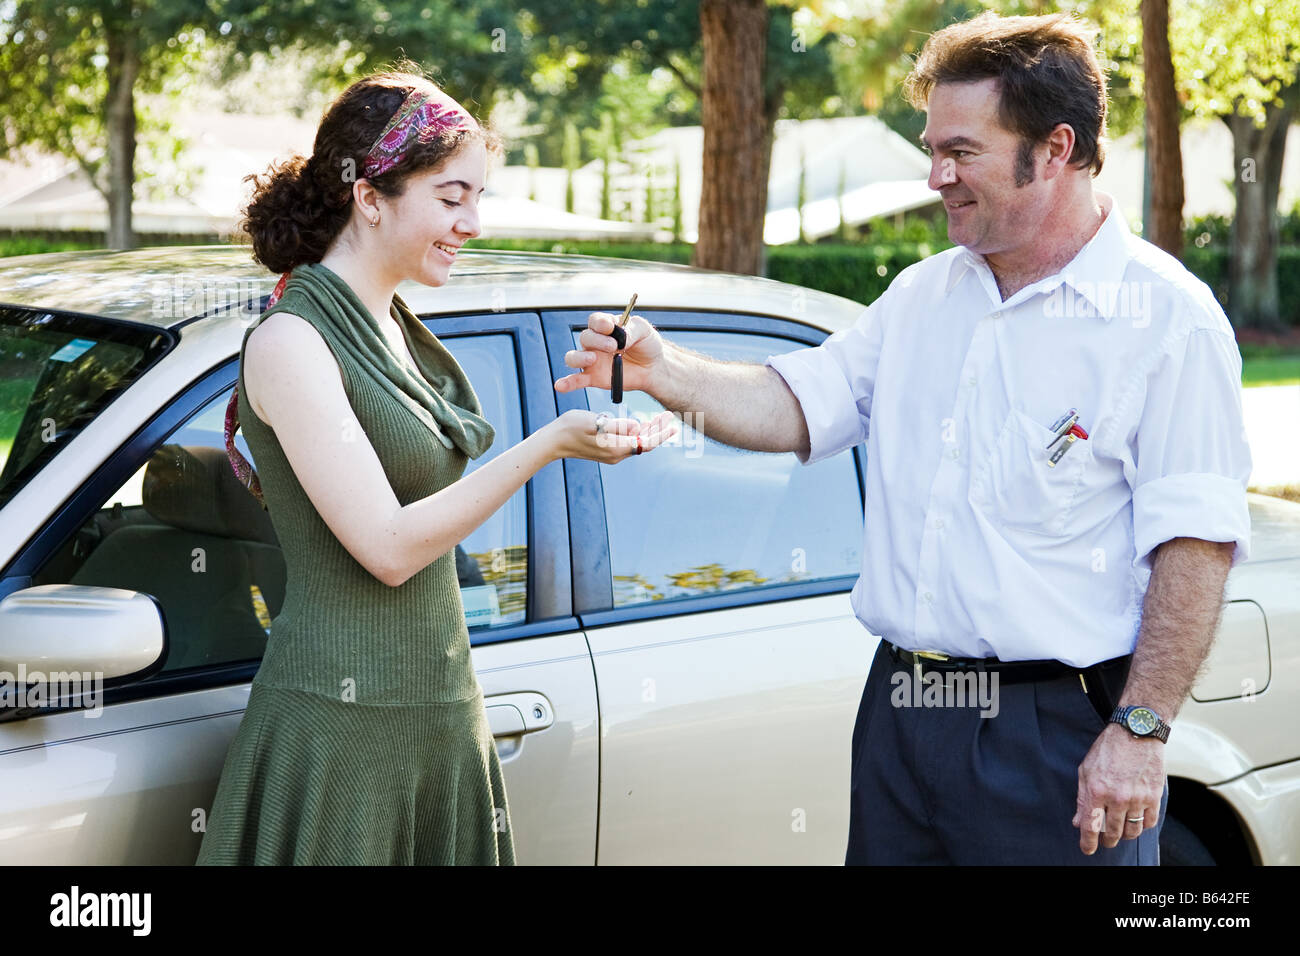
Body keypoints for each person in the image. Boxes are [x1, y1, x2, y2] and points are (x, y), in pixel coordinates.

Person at [555, 11, 1252, 865]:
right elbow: (796, 405)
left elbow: (1196, 545)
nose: (936, 176)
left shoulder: (1168, 321)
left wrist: (1140, 730)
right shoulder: (923, 296)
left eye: (961, 152)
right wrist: (665, 370)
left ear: (1056, 149)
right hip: (901, 712)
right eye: (932, 150)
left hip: (1055, 734)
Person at [200, 67, 677, 866]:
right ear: (369, 195)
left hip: (439, 709)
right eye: (452, 198)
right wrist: (551, 443)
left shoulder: (392, 323)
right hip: (344, 728)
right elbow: (388, 548)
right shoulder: (292, 343)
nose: (472, 223)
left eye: (477, 199)